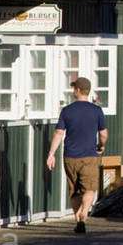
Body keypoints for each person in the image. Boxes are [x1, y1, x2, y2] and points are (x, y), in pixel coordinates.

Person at [46, 77, 107, 234]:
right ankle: (84, 214)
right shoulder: (96, 110)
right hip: (89, 155)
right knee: (90, 188)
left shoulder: (67, 110)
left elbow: (59, 133)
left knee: (74, 190)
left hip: (70, 156)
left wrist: (51, 154)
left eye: (74, 88)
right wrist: (101, 145)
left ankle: (77, 219)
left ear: (78, 90)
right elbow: (104, 134)